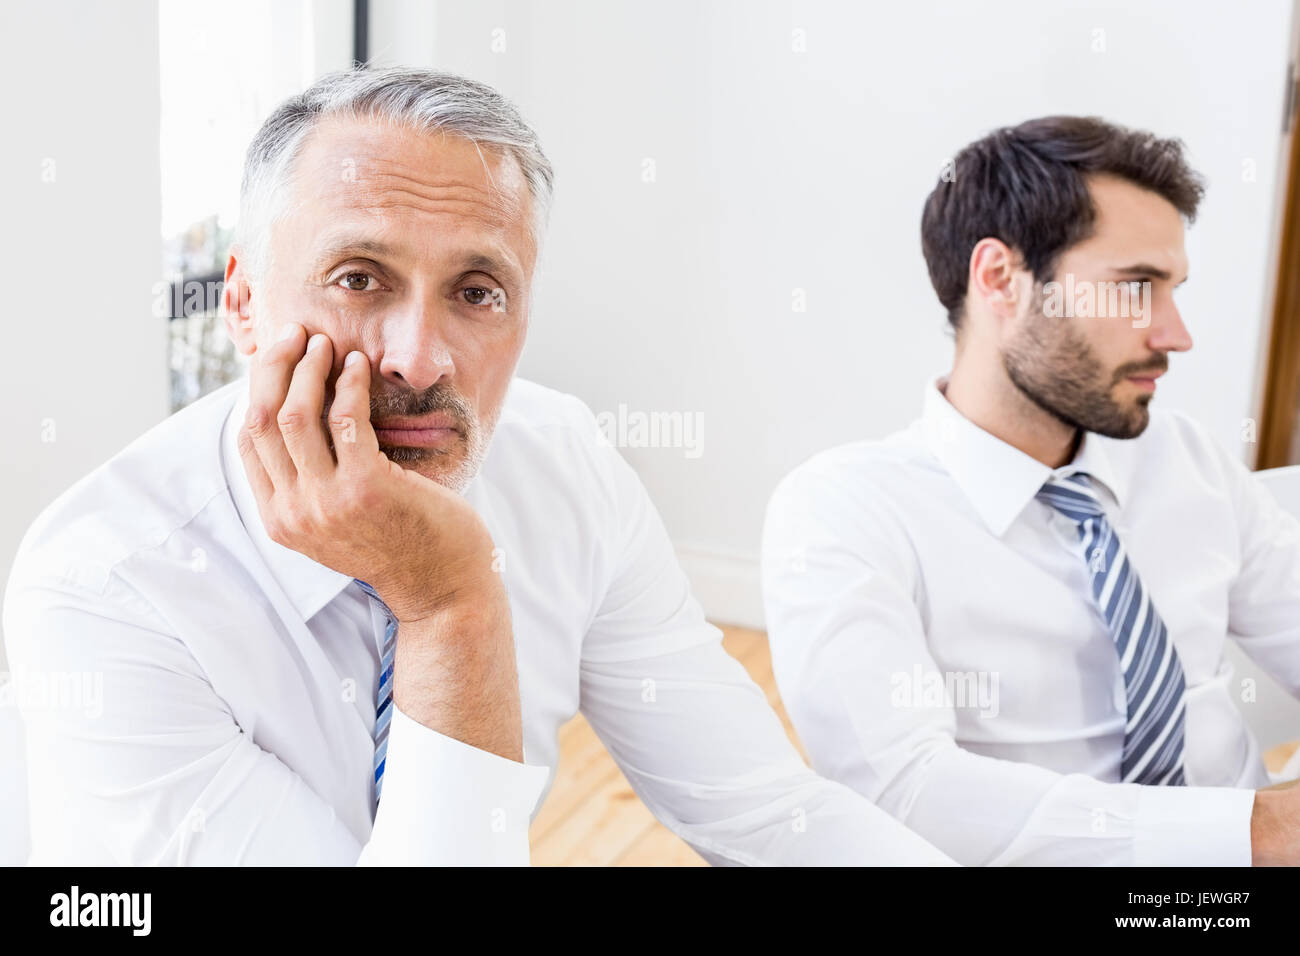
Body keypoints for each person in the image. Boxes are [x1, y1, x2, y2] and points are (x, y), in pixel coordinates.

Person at [3, 67, 953, 866]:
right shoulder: (107, 587)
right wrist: (450, 603)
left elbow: (767, 812)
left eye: (477, 292)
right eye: (359, 278)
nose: (421, 358)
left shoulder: (562, 462)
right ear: (245, 305)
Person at [762, 116, 1300, 867]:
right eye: (1137, 286)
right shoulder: (844, 511)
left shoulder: (1187, 460)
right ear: (1000, 280)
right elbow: (905, 795)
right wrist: (1256, 836)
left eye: (1173, 290)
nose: (1177, 335)